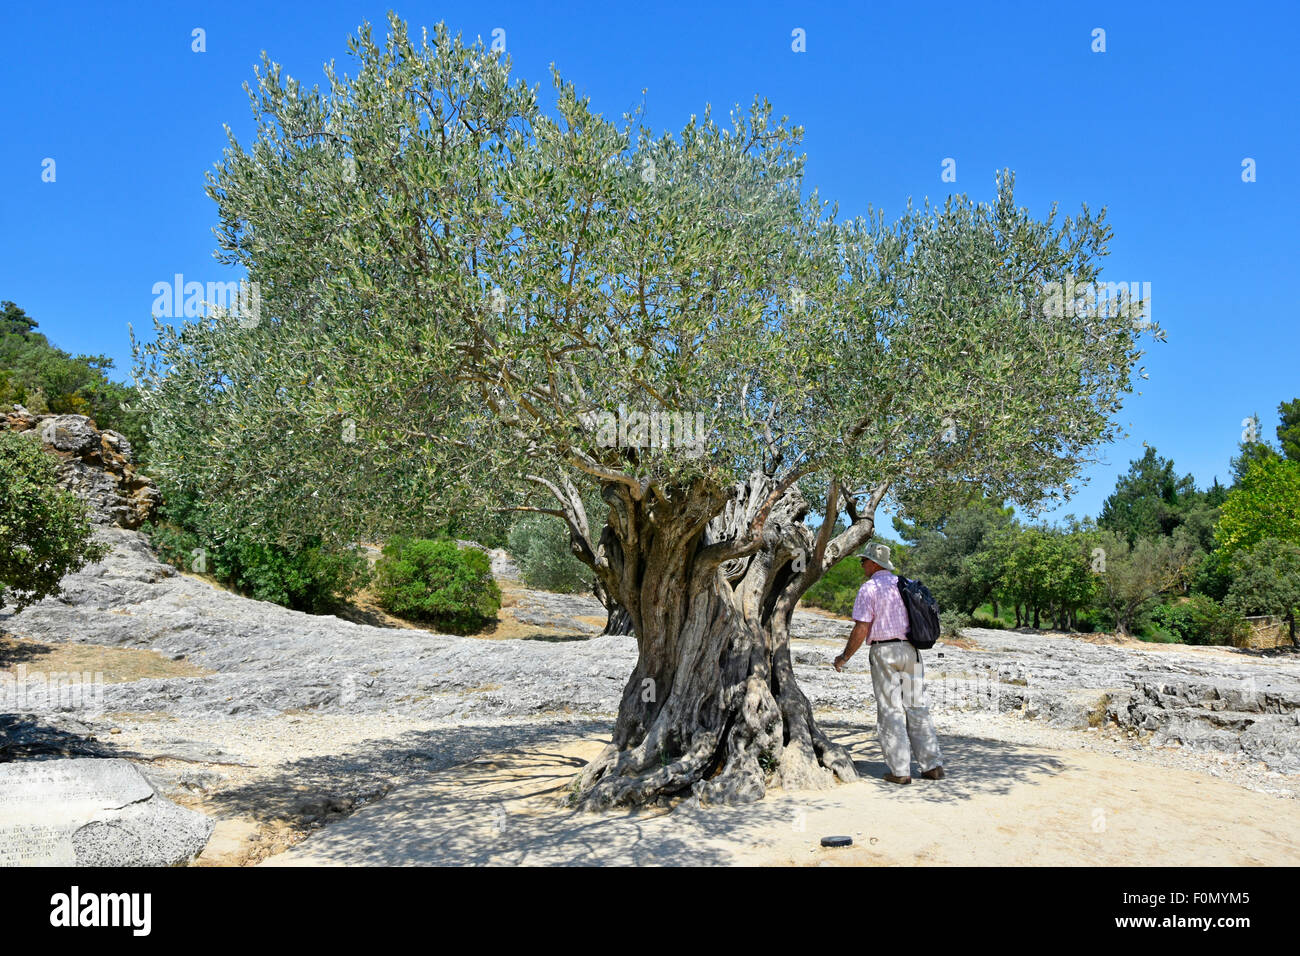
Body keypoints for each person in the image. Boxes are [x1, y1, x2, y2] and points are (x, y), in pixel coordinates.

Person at [833, 542, 944, 785]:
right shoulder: (905, 584)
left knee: (890, 710)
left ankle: (900, 770)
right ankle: (932, 766)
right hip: (912, 651)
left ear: (874, 563)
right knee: (917, 706)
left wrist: (844, 657)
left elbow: (862, 627)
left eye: (864, 561)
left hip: (885, 652)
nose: (862, 564)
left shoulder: (869, 589)